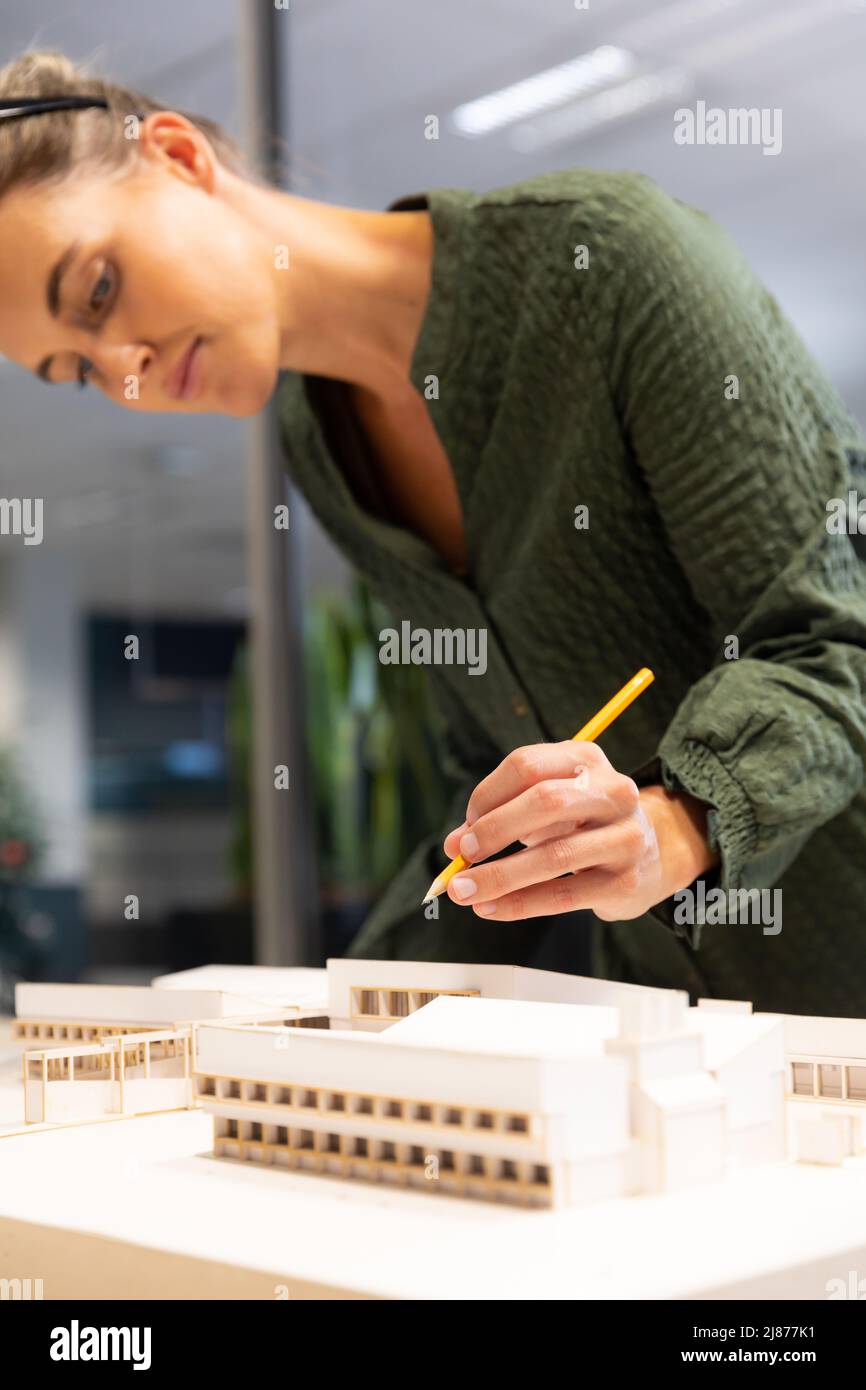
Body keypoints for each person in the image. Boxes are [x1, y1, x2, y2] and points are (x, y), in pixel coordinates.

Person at [2, 51, 864, 1015]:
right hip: (697, 1038)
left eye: (98, 293)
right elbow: (486, 778)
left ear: (176, 155)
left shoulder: (608, 261)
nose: (125, 367)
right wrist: (327, 1017)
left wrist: (676, 819)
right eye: (75, 371)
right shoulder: (315, 442)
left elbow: (833, 645)